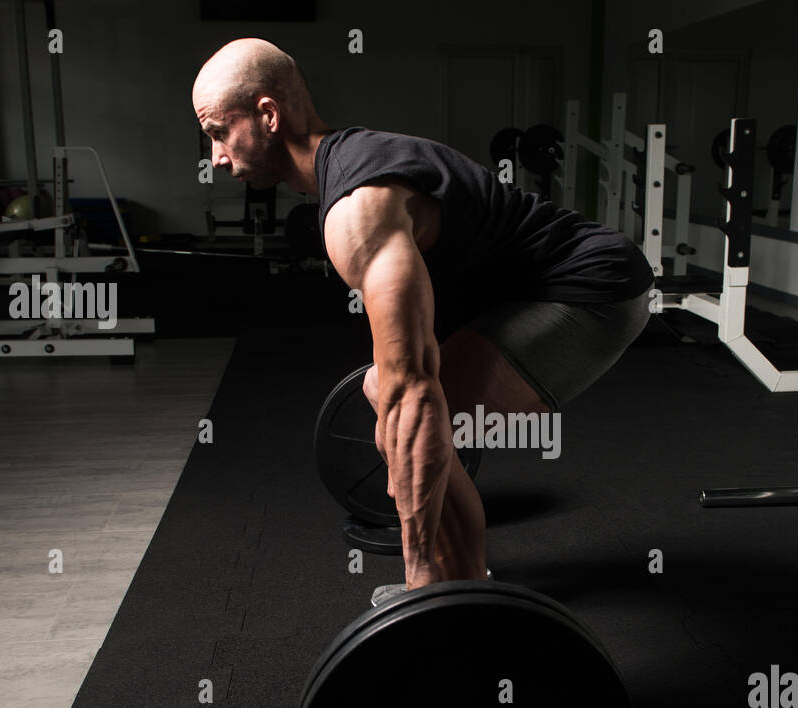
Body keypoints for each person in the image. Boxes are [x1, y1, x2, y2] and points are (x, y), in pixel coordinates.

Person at [193, 38, 653, 591]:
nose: (216, 157)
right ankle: (459, 581)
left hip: (594, 289)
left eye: (220, 132)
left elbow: (413, 390)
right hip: (527, 291)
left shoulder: (359, 209)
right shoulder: (351, 161)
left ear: (268, 114)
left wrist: (414, 577)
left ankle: (441, 585)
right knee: (380, 394)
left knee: (414, 410)